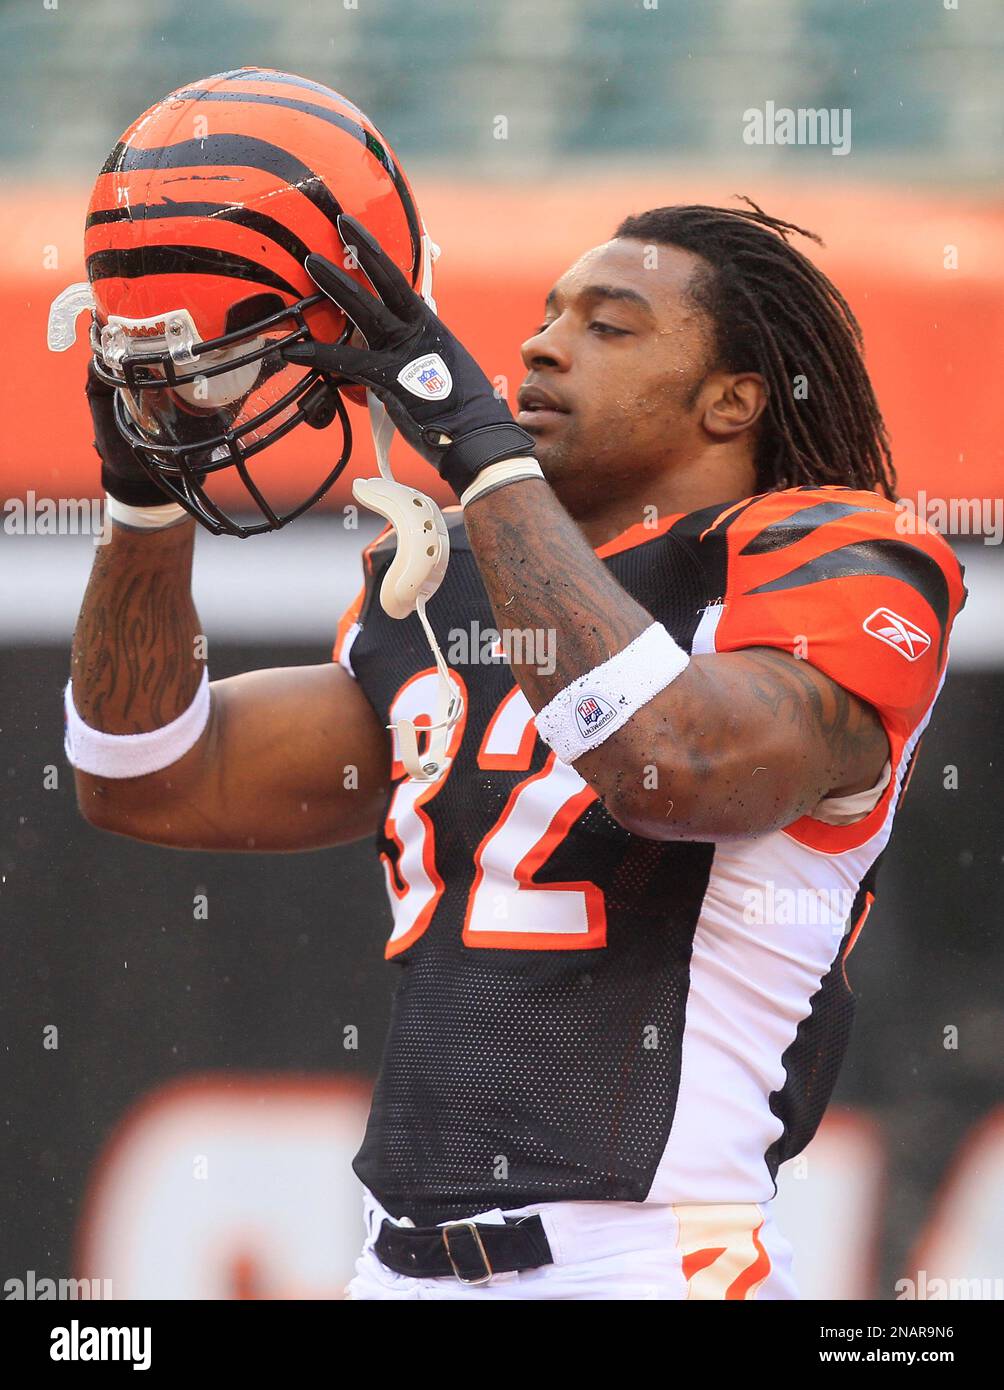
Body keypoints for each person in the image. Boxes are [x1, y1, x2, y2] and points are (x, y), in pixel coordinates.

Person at [67, 171, 966, 1295]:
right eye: (543, 315)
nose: (542, 347)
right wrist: (140, 500)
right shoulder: (457, 587)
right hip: (395, 1266)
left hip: (643, 1259)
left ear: (731, 401)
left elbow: (670, 769)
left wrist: (484, 461)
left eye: (606, 327)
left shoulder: (828, 557)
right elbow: (146, 774)